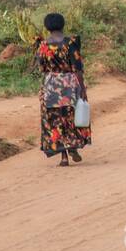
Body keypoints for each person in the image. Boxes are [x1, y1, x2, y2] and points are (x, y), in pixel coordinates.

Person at [33, 12, 90, 167]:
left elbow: (41, 68)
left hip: (51, 85)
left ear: (47, 26)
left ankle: (63, 156)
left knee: (54, 120)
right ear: (62, 24)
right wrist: (82, 89)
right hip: (69, 85)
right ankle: (72, 145)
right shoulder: (70, 43)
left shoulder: (43, 45)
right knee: (71, 118)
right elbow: (78, 68)